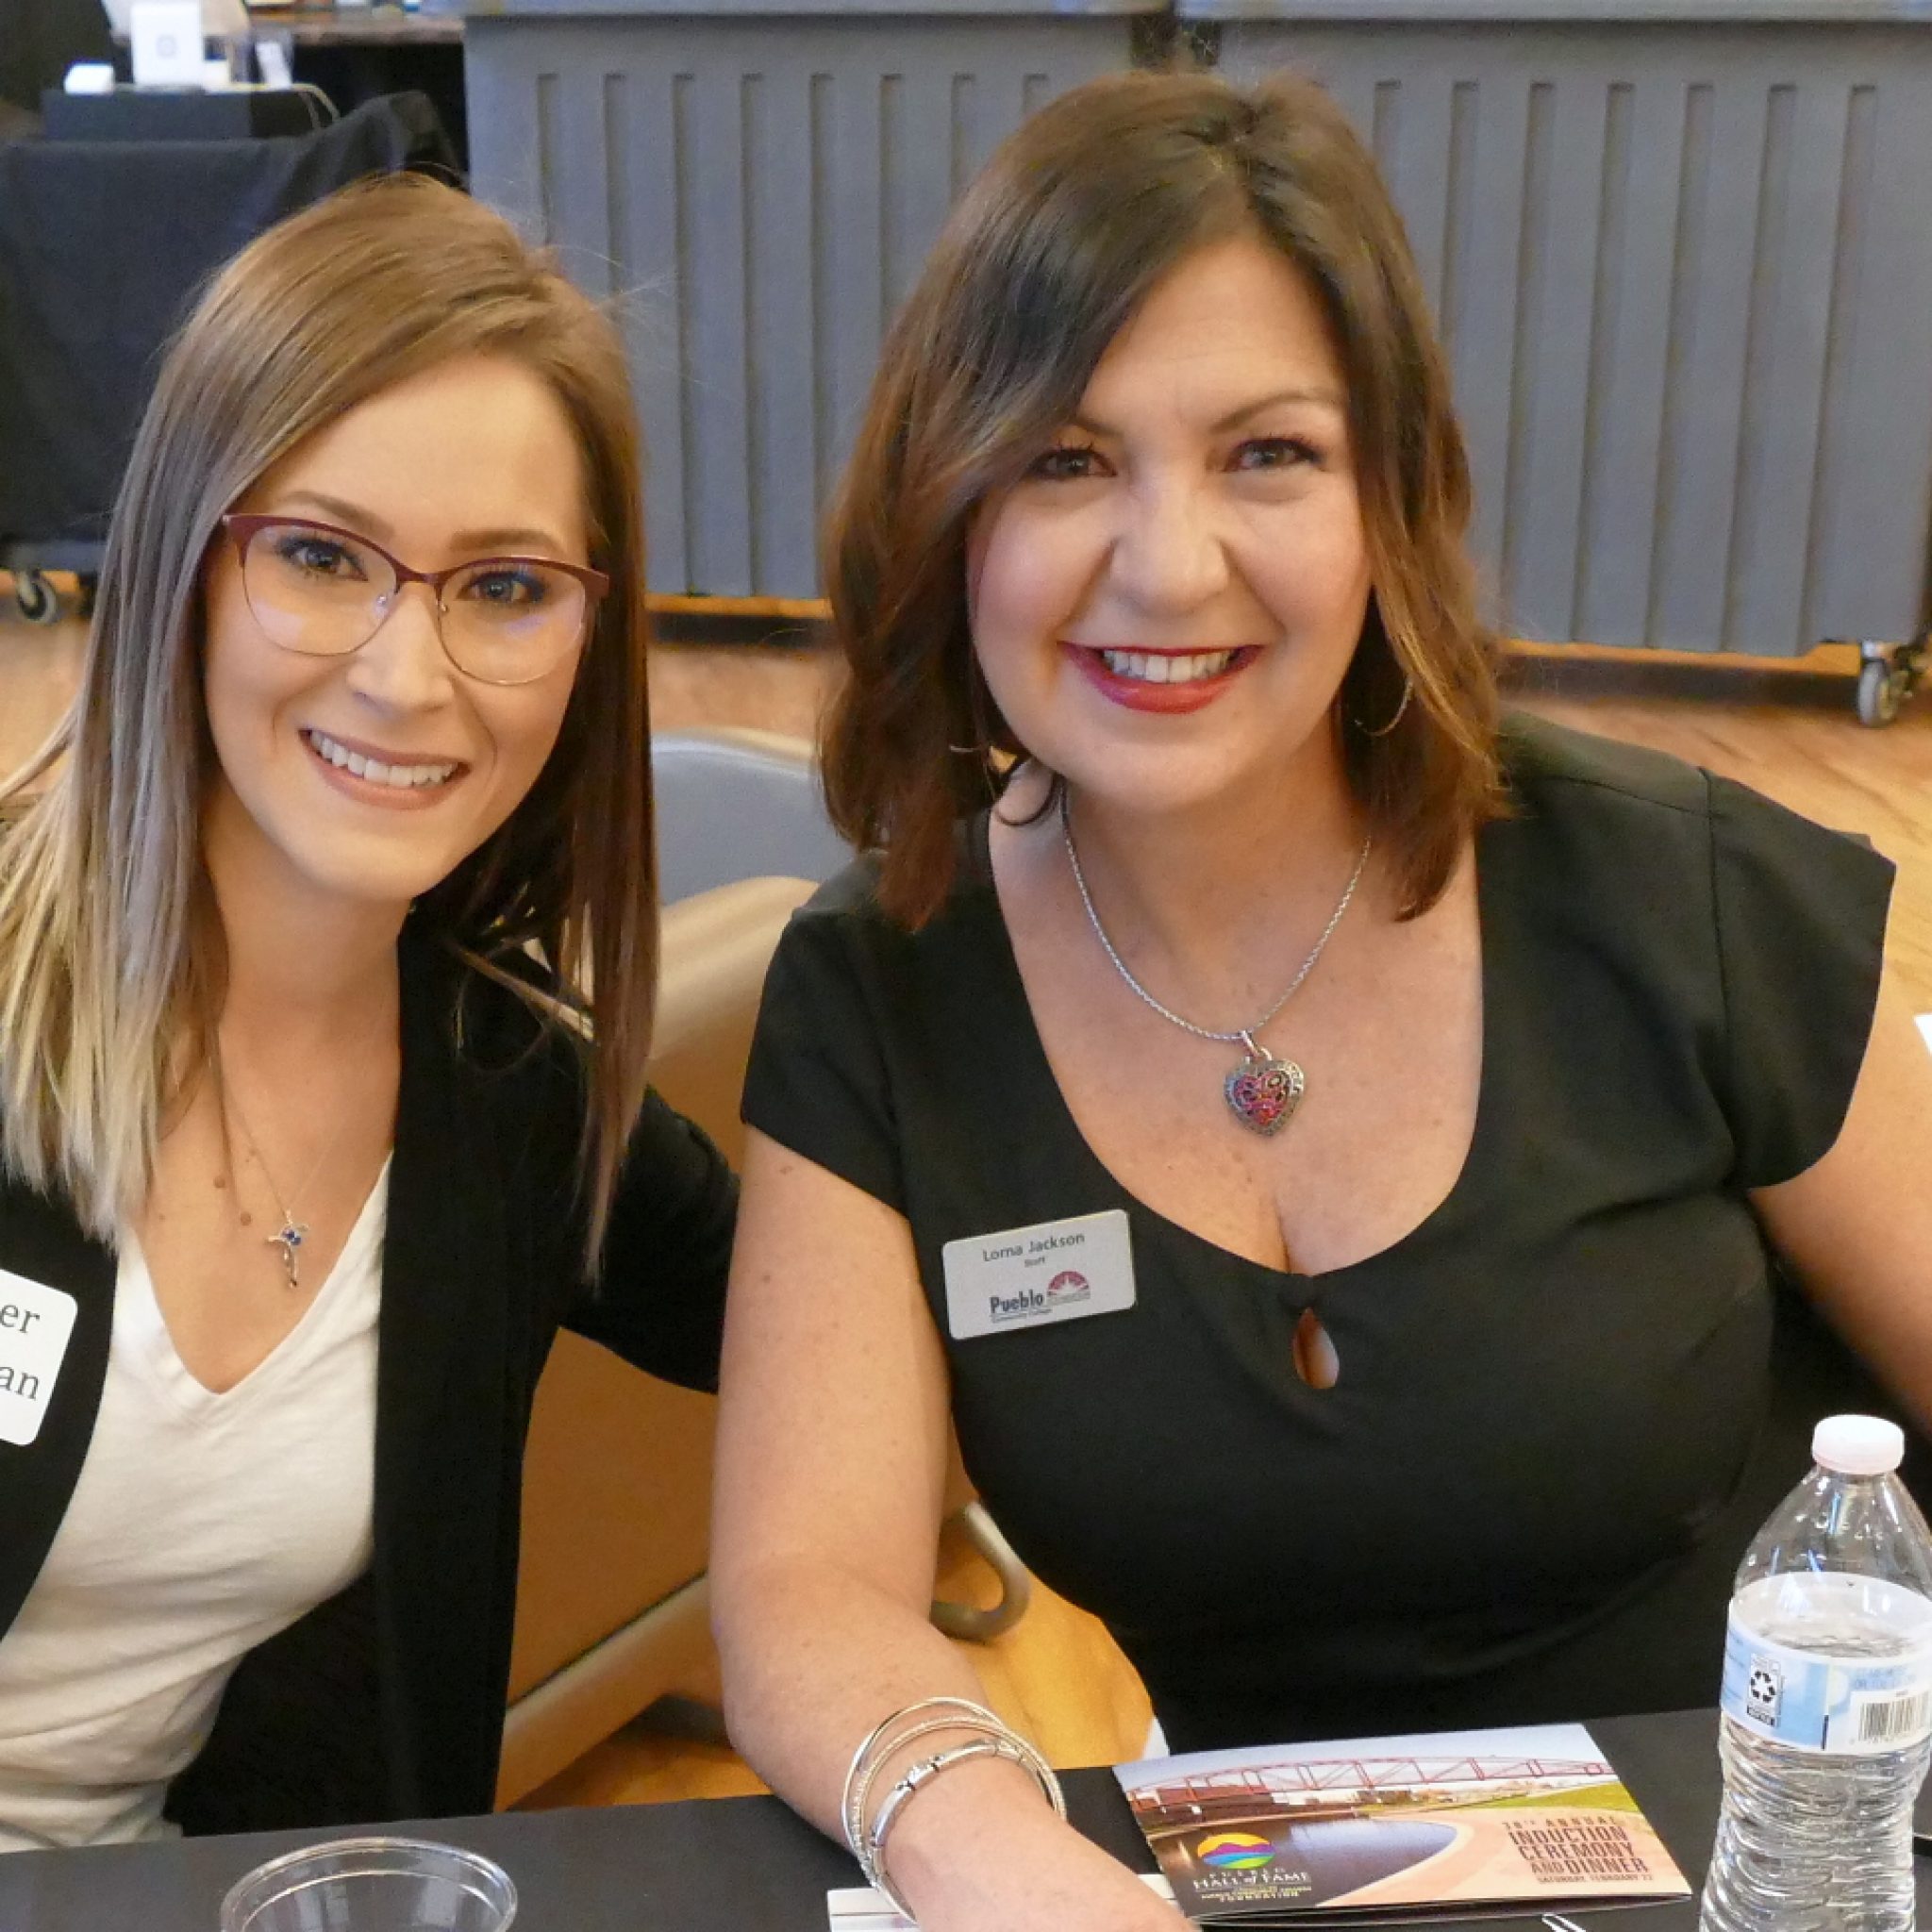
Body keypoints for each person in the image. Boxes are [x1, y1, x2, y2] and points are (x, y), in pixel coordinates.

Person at [709, 68, 1932, 1932]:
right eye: (1063, 457)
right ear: (948, 506)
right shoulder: (880, 985)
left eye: (1265, 454)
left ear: (1389, 498)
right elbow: (809, 1586)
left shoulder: (1675, 893)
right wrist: (984, 1848)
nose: (1166, 563)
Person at [0, 175, 736, 1849]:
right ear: (183, 562)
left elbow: (863, 1321)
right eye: (322, 558)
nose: (410, 676)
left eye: (502, 587)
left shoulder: (512, 1099)